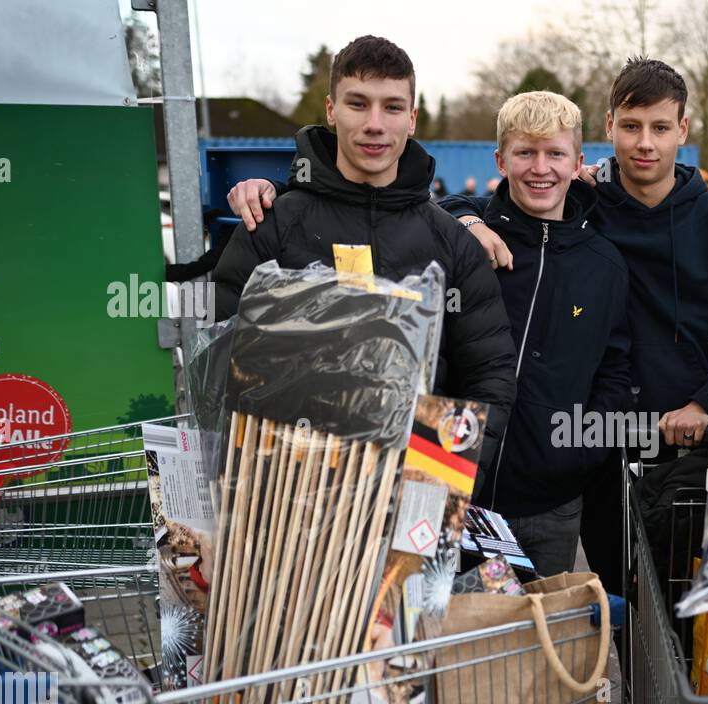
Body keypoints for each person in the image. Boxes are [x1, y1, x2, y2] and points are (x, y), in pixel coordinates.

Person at [453, 57, 708, 593]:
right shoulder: (586, 200)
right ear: (610, 126)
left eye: (661, 128)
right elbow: (491, 205)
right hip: (589, 443)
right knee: (601, 596)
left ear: (682, 131)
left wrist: (706, 402)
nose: (645, 144)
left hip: (675, 443)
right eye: (631, 127)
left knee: (667, 601)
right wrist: (466, 218)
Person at [214, 35, 516, 482]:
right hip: (283, 497)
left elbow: (489, 375)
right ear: (331, 110)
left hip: (408, 498)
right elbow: (221, 356)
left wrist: (438, 477)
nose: (375, 124)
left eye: (392, 107)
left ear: (412, 119)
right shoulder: (273, 226)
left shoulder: (450, 241)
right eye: (358, 104)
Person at [437, 91, 631, 577]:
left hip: (550, 504)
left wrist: (575, 455)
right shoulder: (468, 240)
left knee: (537, 645)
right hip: (451, 490)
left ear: (578, 162)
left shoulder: (603, 265)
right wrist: (464, 220)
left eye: (555, 154)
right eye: (525, 153)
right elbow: (414, 207)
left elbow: (615, 372)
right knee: (447, 642)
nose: (539, 168)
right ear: (501, 160)